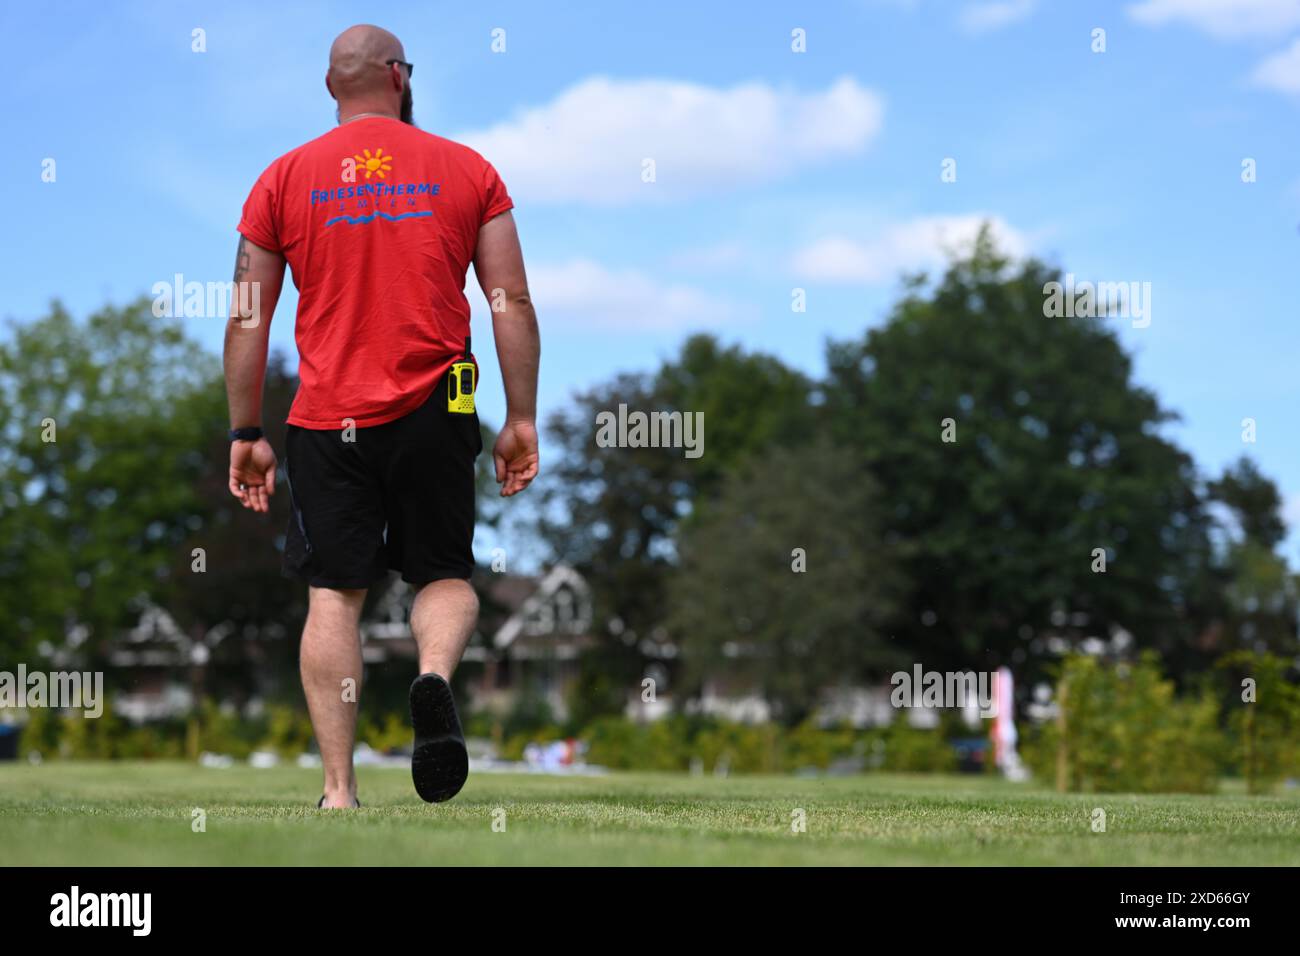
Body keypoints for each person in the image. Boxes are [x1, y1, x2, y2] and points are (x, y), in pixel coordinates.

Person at [222, 24, 540, 809]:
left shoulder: (281, 179)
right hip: (440, 402)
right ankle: (431, 678)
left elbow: (246, 318)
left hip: (329, 418)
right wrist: (521, 417)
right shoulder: (470, 171)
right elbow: (511, 302)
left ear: (333, 86)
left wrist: (247, 432)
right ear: (399, 76)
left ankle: (338, 791)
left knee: (333, 594)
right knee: (443, 571)